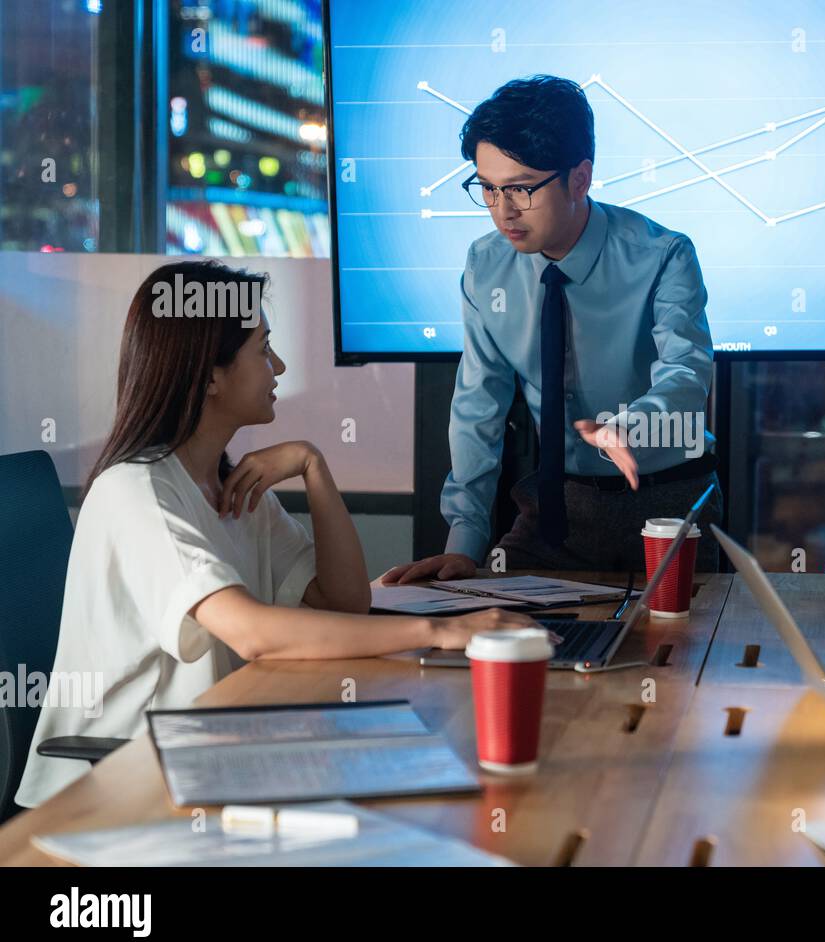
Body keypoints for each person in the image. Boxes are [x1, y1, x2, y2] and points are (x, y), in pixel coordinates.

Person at [15, 260, 535, 808]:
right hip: (116, 786)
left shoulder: (231, 486)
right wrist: (440, 631)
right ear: (210, 376)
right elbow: (252, 633)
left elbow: (344, 601)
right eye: (263, 349)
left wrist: (313, 465)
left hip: (202, 754)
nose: (279, 366)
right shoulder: (138, 492)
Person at [382, 75, 719, 585]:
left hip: (668, 503)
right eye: (488, 188)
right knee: (496, 623)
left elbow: (686, 375)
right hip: (556, 505)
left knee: (677, 634)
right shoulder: (486, 266)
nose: (503, 211)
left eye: (521, 189)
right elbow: (478, 406)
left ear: (579, 179)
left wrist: (628, 427)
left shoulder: (662, 255)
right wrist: (464, 542)